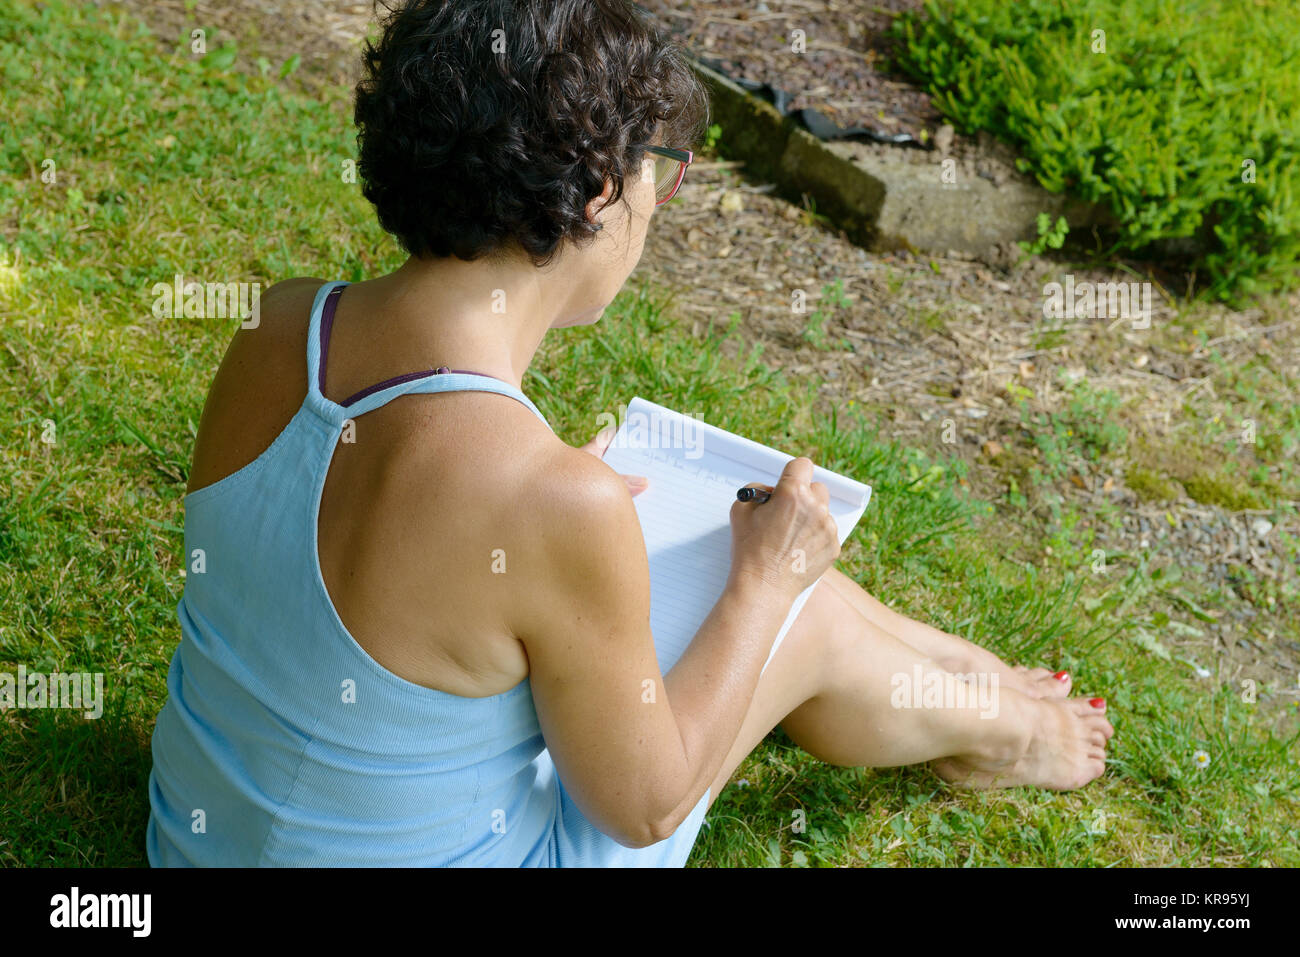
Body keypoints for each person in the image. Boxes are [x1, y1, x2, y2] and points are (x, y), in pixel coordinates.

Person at [146, 0, 1113, 867]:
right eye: (667, 173)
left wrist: (582, 521)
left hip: (198, 839)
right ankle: (1007, 733)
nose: (660, 202)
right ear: (604, 189)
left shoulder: (277, 326)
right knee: (790, 606)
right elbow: (643, 807)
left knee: (742, 546)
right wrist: (764, 589)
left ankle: (976, 682)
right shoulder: (550, 502)